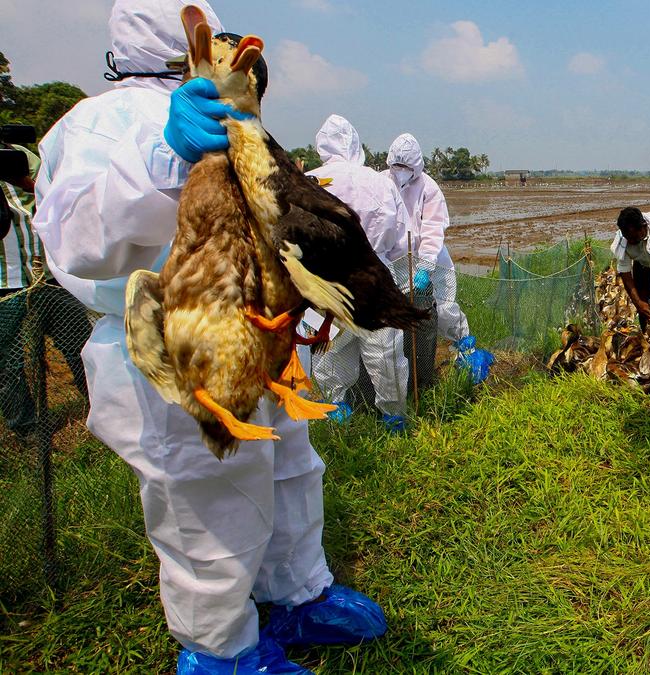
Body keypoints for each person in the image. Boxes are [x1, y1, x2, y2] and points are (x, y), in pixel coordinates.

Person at [33, 2, 385, 672]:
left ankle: (298, 592)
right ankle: (220, 648)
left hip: (259, 330)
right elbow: (75, 240)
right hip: (177, 341)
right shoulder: (99, 122)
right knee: (208, 501)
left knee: (288, 466)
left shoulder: (229, 111)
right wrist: (164, 155)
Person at [307, 115, 410, 433]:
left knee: (328, 351)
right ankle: (394, 418)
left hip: (323, 281)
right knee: (385, 353)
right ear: (355, 143)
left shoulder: (308, 180)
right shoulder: (380, 182)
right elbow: (399, 238)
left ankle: (336, 416)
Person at [383, 133, 493, 384]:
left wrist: (425, 266)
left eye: (405, 166)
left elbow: (433, 230)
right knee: (391, 319)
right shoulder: (380, 183)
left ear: (416, 166)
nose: (400, 171)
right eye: (396, 165)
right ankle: (397, 375)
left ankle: (465, 348)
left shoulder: (428, 188)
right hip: (392, 262)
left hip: (428, 263)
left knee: (442, 308)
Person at [0, 143, 90, 436]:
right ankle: (28, 430)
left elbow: (52, 187)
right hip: (4, 282)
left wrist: (22, 180)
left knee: (81, 340)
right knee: (8, 363)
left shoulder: (16, 152)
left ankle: (101, 404)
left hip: (46, 274)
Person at [611, 206, 650, 331]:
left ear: (644, 227)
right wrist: (638, 303)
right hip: (643, 266)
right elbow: (625, 273)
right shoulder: (622, 241)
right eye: (628, 238)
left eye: (635, 238)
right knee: (643, 306)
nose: (631, 241)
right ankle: (646, 333)